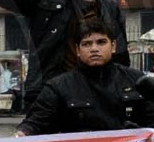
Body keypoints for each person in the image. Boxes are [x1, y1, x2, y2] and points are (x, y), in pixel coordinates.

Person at [18, 19, 154, 135]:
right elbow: (34, 125)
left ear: (113, 46)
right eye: (87, 44)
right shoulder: (58, 87)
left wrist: (140, 132)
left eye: (101, 42)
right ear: (78, 50)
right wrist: (19, 136)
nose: (94, 49)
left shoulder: (136, 80)